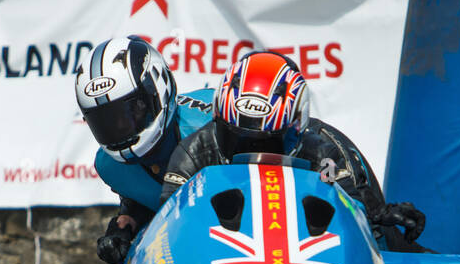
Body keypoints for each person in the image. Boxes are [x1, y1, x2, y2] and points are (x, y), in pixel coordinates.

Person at [162, 50, 427, 252]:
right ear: (218, 120)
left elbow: (355, 219)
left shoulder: (326, 153)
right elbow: (169, 227)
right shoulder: (193, 153)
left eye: (268, 143)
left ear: (297, 127)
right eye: (238, 139)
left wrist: (378, 215)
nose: (255, 155)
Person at [74, 36, 214, 264]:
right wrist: (127, 223)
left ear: (158, 90)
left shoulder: (214, 122)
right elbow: (147, 196)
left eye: (132, 112)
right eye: (106, 121)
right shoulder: (109, 166)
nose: (120, 128)